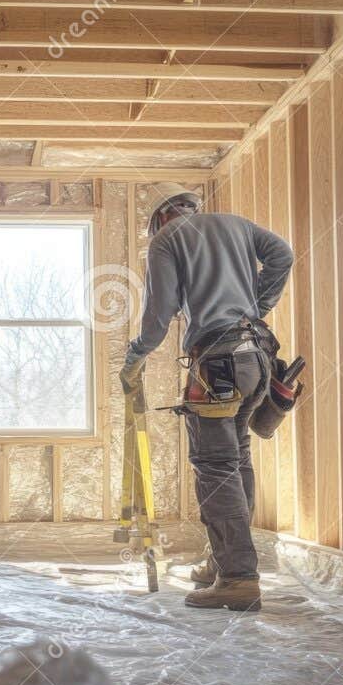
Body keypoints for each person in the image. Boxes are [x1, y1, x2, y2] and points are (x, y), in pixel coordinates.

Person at [120, 183, 294, 611]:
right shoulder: (236, 224)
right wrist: (258, 304)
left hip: (218, 363)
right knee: (236, 458)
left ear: (160, 218)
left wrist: (134, 359)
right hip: (258, 356)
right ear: (188, 207)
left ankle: (238, 578)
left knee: (215, 466)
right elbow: (283, 255)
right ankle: (225, 564)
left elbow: (159, 316)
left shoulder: (166, 239)